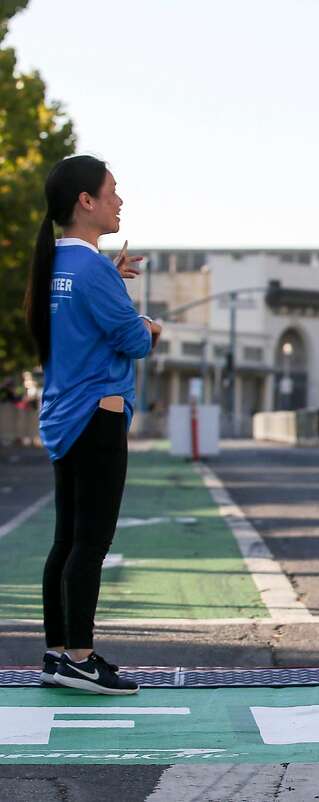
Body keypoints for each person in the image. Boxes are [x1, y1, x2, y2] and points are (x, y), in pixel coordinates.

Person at [25, 155, 160, 695]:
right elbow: (136, 340)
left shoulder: (56, 264)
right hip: (97, 417)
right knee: (91, 542)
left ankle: (58, 652)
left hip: (61, 416)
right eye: (111, 191)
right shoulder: (92, 272)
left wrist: (111, 276)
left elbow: (81, 316)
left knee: (65, 539)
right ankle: (82, 657)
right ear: (86, 202)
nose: (119, 200)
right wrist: (153, 323)